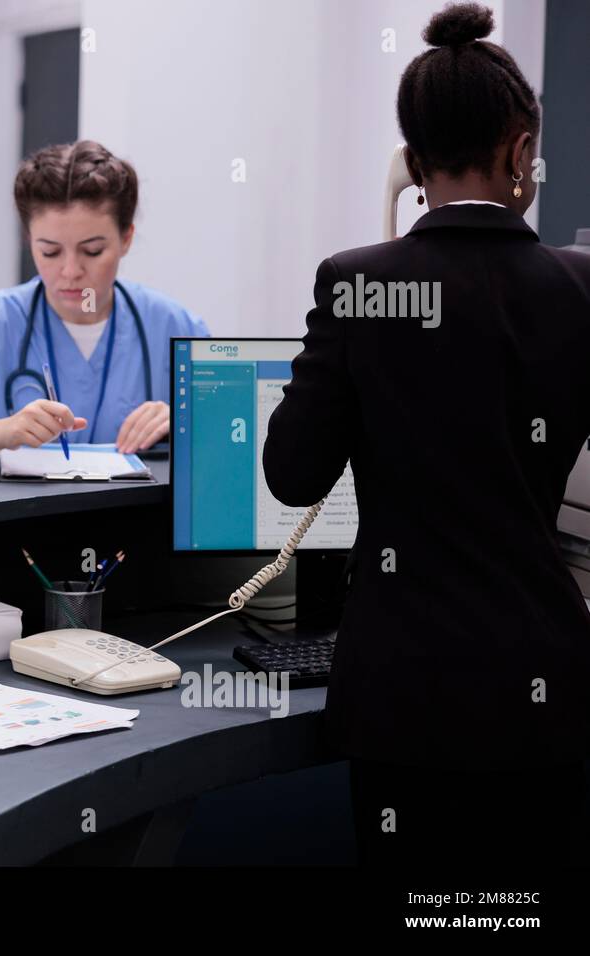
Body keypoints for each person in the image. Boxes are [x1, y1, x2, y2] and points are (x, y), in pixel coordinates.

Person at [263, 2, 590, 866]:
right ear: (524, 150)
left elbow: (292, 475)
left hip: (406, 689)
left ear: (411, 160)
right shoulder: (581, 288)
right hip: (546, 683)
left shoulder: (357, 284)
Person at [0, 140, 208, 460]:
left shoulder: (174, 326)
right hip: (26, 512)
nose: (70, 271)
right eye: (50, 251)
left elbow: (236, 438)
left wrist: (187, 421)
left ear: (126, 239)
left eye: (92, 251)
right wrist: (7, 430)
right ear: (29, 241)